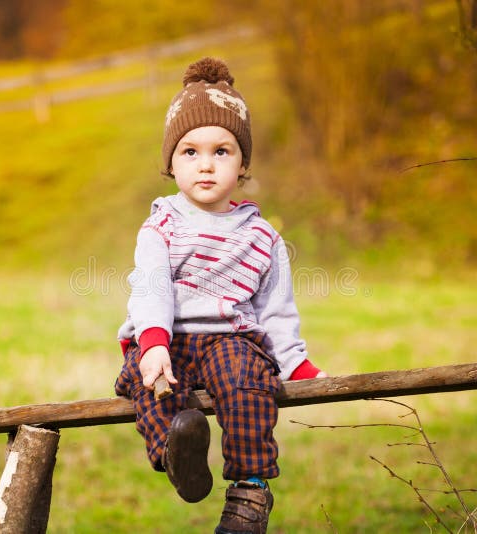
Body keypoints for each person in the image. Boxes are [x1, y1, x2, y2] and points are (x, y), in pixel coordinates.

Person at [114, 57, 326, 534]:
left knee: (247, 380)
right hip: (165, 340)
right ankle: (176, 448)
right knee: (146, 383)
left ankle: (249, 494)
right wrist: (152, 346)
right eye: (190, 151)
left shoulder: (262, 237)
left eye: (222, 151)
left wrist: (295, 364)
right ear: (170, 161)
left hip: (229, 339)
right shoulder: (161, 226)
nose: (205, 164)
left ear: (243, 162)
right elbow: (151, 288)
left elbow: (277, 310)